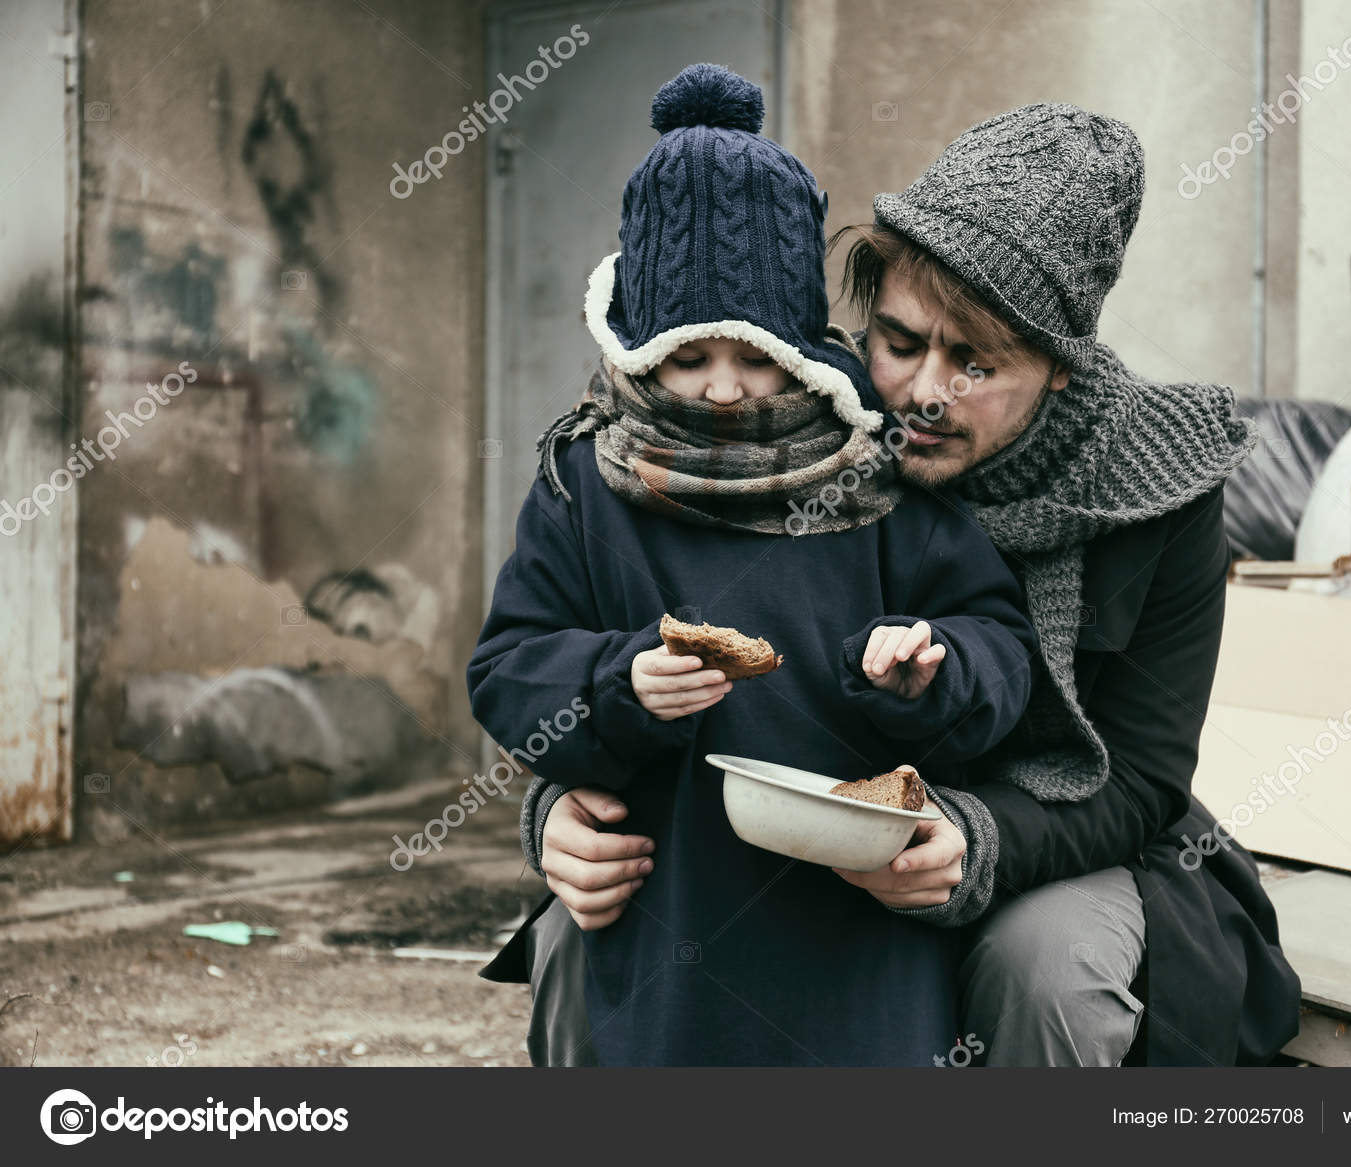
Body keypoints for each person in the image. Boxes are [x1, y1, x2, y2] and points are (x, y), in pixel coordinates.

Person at [492, 98, 1303, 1068]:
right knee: (571, 939)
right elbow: (576, 637)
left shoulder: (1156, 494)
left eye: (976, 363)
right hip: (798, 831)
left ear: (1057, 371)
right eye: (903, 342)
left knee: (1045, 970)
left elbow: (1141, 776)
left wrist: (978, 839)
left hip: (1047, 829)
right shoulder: (815, 439)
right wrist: (555, 810)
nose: (924, 392)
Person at [467, 64, 1037, 1066]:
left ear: (804, 343)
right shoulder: (587, 482)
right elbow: (509, 669)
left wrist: (933, 666)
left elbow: (1002, 646)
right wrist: (616, 684)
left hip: (860, 931)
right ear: (637, 344)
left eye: (757, 355)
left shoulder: (879, 473)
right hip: (667, 922)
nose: (725, 389)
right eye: (688, 358)